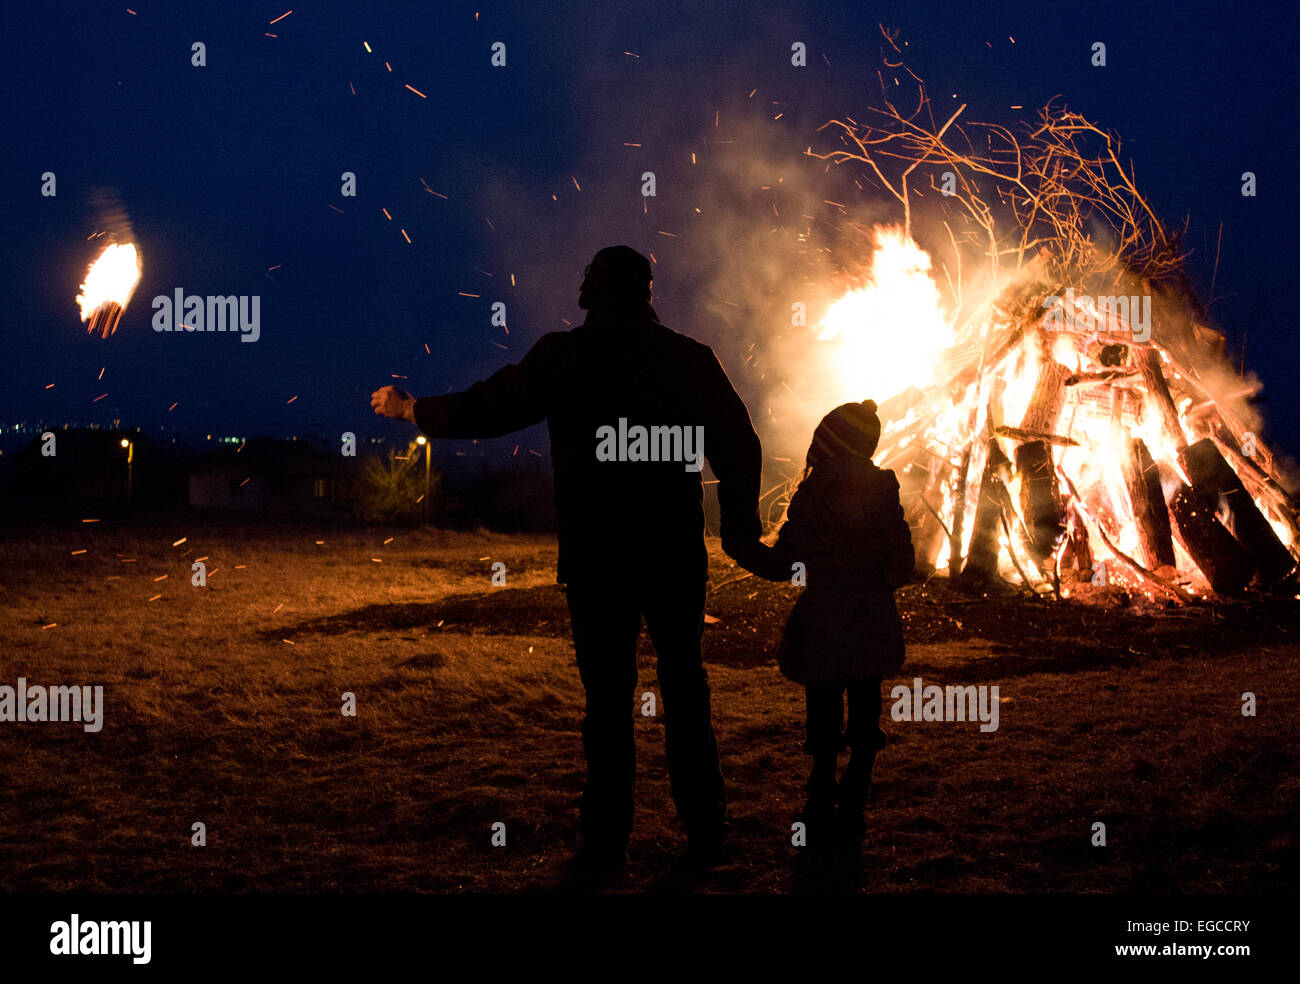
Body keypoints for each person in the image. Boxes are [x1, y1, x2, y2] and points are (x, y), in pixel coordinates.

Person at [371, 245, 763, 876]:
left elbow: (487, 408)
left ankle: (606, 847)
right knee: (686, 689)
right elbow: (739, 445)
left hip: (598, 559)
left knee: (607, 704)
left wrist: (413, 408)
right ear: (647, 292)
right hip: (671, 554)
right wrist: (741, 531)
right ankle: (707, 832)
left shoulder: (565, 357)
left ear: (590, 294)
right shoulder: (689, 359)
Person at [728, 400, 913, 844]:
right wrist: (876, 581)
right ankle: (858, 783)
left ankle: (822, 784)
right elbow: (901, 566)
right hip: (872, 621)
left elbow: (786, 564)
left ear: (826, 444)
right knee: (866, 701)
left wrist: (743, 548)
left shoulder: (813, 495)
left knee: (825, 703)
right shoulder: (887, 490)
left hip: (825, 623)